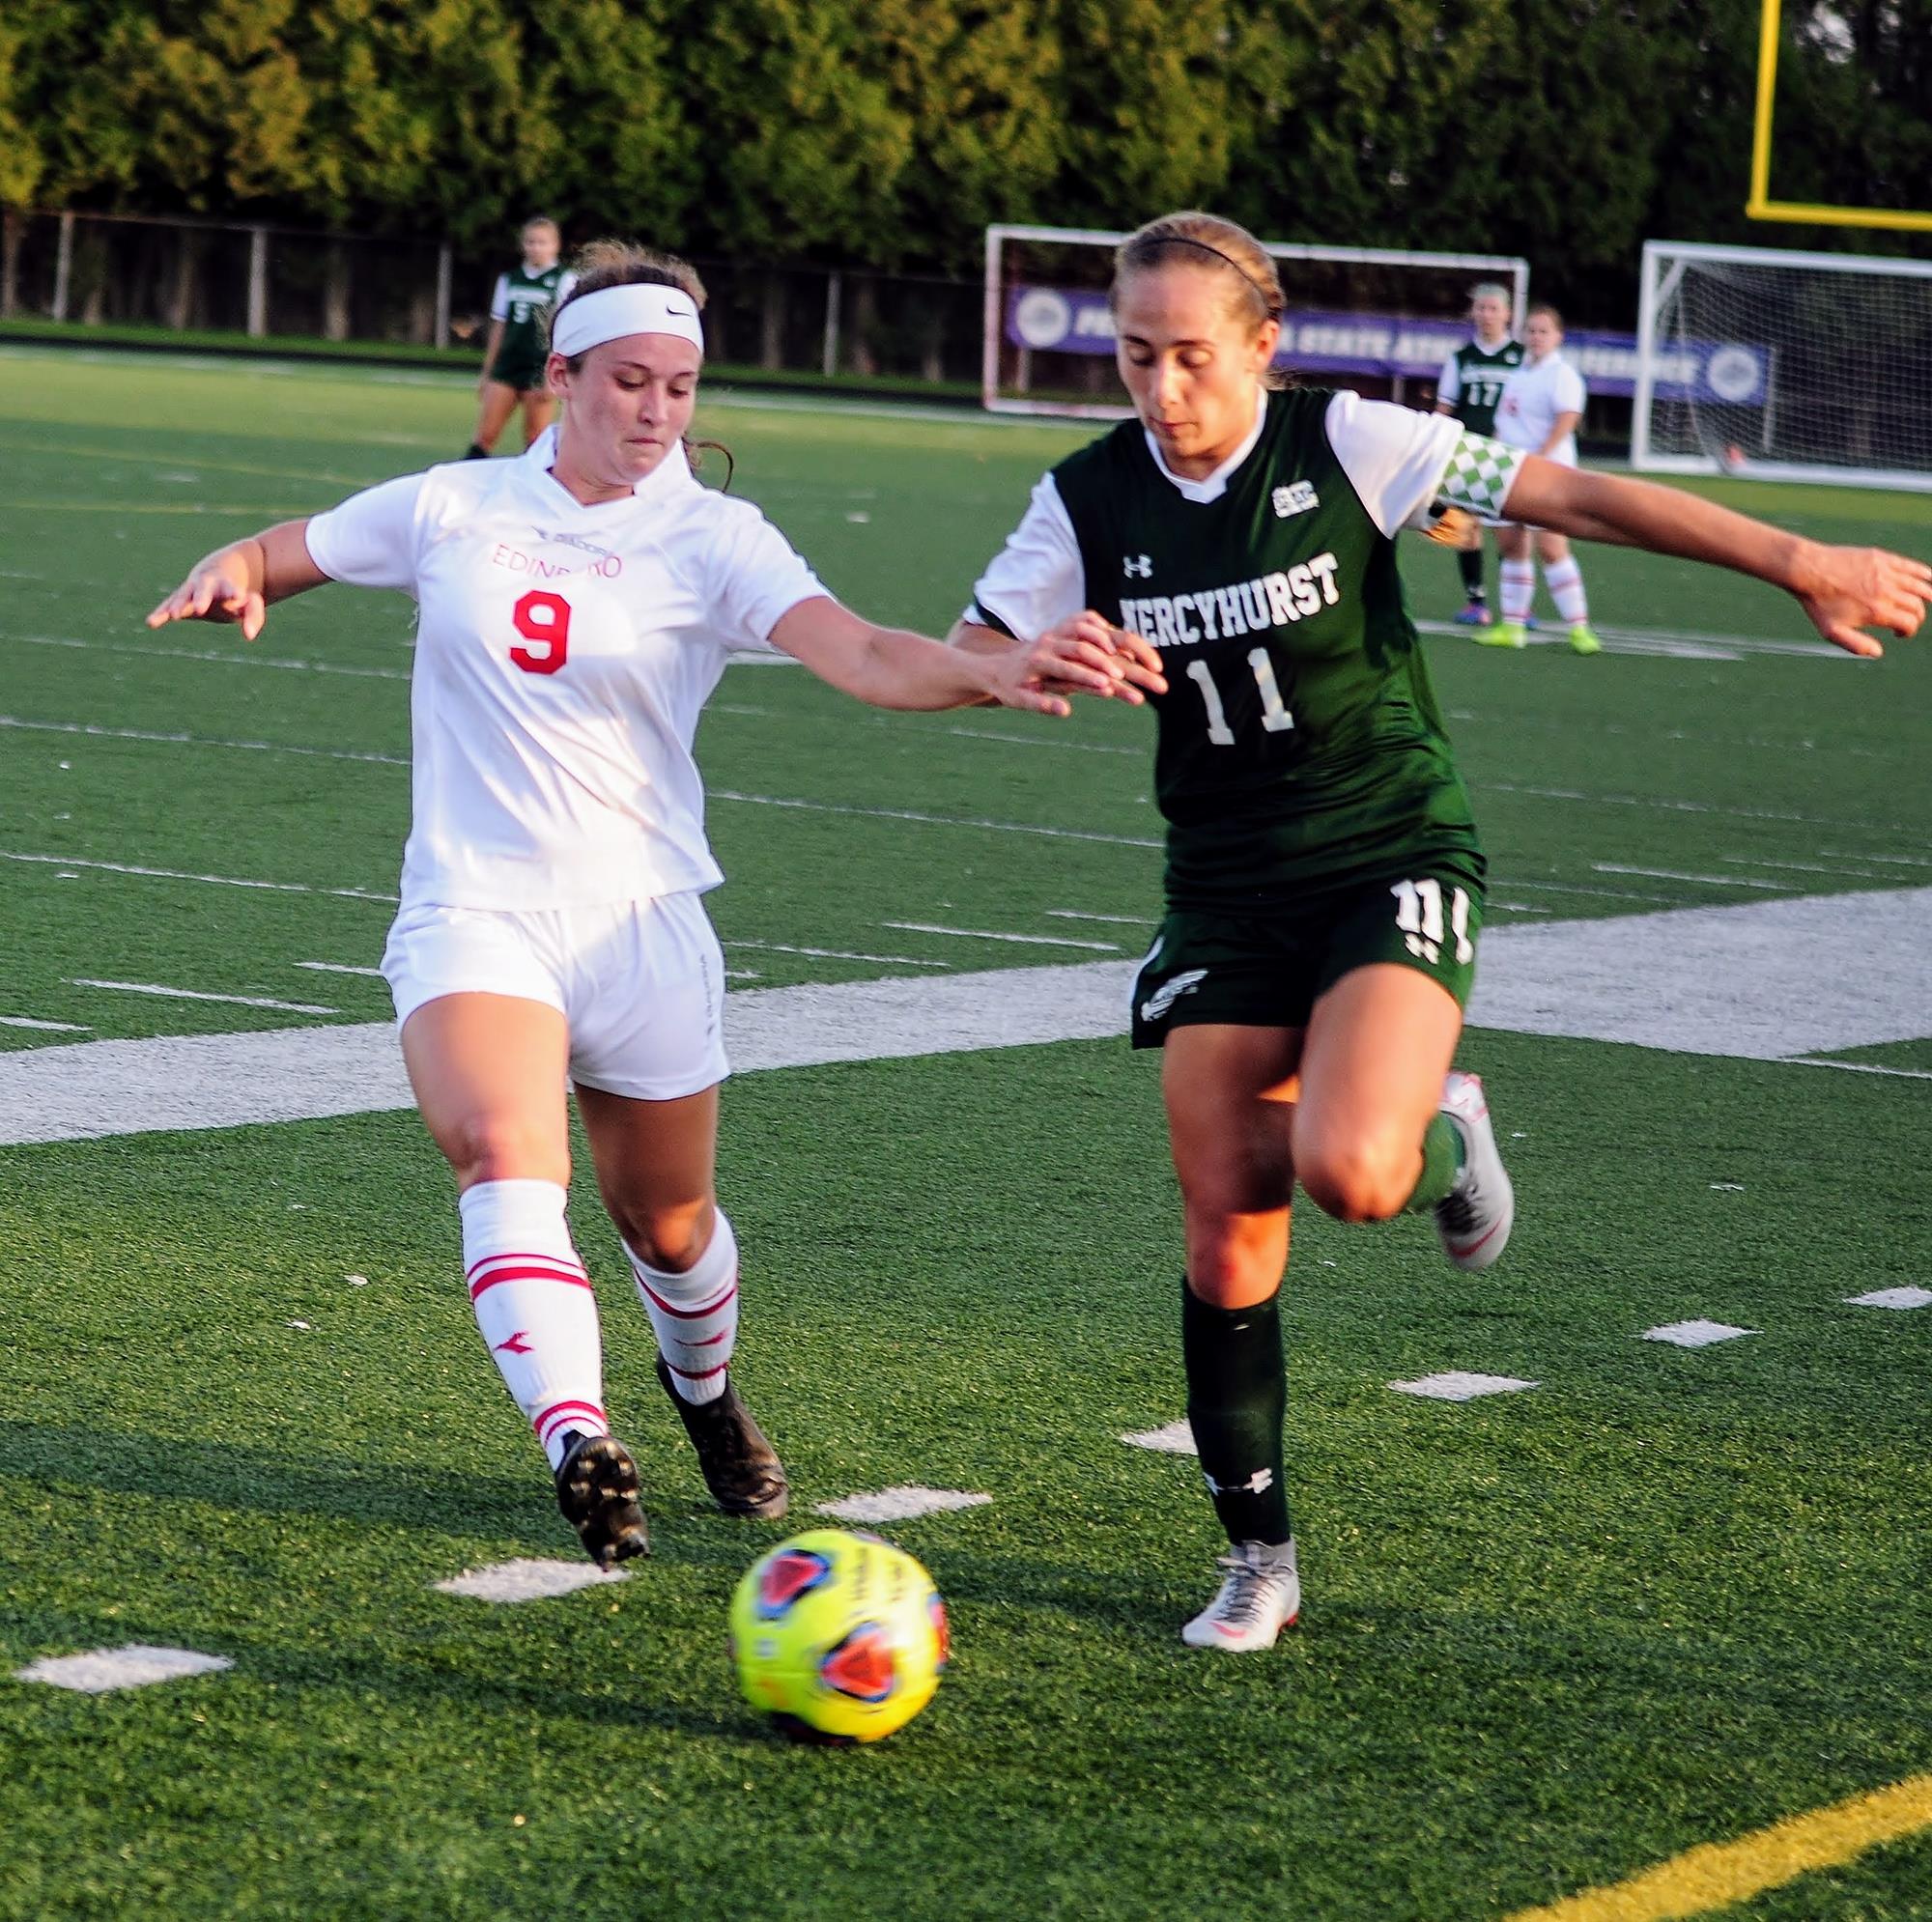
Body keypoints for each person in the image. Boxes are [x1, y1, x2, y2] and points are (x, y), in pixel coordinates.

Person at [951, 210, 1928, 1653]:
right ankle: (1259, 1558)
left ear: (1263, 346)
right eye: (1136, 353)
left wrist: (1797, 559)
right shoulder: (1085, 497)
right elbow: (970, 647)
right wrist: (1015, 659)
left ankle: (1445, 1128)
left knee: (1351, 1170)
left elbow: (1571, 497)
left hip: (1386, 847)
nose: (1162, 386)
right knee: (1225, 1227)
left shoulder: (1350, 440)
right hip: (1223, 884)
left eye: (1193, 355)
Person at [146, 241, 1132, 1572]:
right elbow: (286, 548)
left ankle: (704, 1392)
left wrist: (992, 671)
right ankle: (579, 1439)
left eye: (680, 385)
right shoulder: (451, 504)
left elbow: (862, 653)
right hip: (477, 910)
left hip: (645, 927)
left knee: (668, 1225)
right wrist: (237, 568)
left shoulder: (714, 537)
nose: (658, 410)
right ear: (559, 375)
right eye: (628, 381)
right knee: (504, 1154)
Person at [1486, 303, 1600, 653]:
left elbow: (1568, 418)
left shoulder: (1562, 374)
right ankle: (1513, 626)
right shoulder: (1519, 374)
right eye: (1531, 331)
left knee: (1551, 546)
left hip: (1545, 471)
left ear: (1558, 337)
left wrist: (1542, 455)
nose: (1536, 337)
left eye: (1543, 331)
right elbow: (1506, 422)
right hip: (1509, 468)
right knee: (1511, 544)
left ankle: (1579, 628)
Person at [1433, 282, 1523, 627]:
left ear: (1507, 313)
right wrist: (1434, 440)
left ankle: (1517, 606)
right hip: (1468, 451)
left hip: (1509, 452)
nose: (1486, 315)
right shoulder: (1461, 358)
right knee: (1467, 527)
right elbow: (1446, 405)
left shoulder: (1521, 357)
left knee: (1509, 533)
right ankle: (1476, 602)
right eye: (1481, 308)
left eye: (1493, 309)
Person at [465, 217, 577, 460]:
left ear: (555, 245)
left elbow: (565, 328)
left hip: (539, 368)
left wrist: (553, 375)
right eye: (530, 242)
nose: (536, 248)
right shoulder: (510, 279)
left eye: (542, 242)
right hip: (508, 365)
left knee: (535, 440)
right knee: (484, 436)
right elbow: (500, 326)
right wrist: (487, 371)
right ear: (522, 245)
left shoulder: (564, 280)